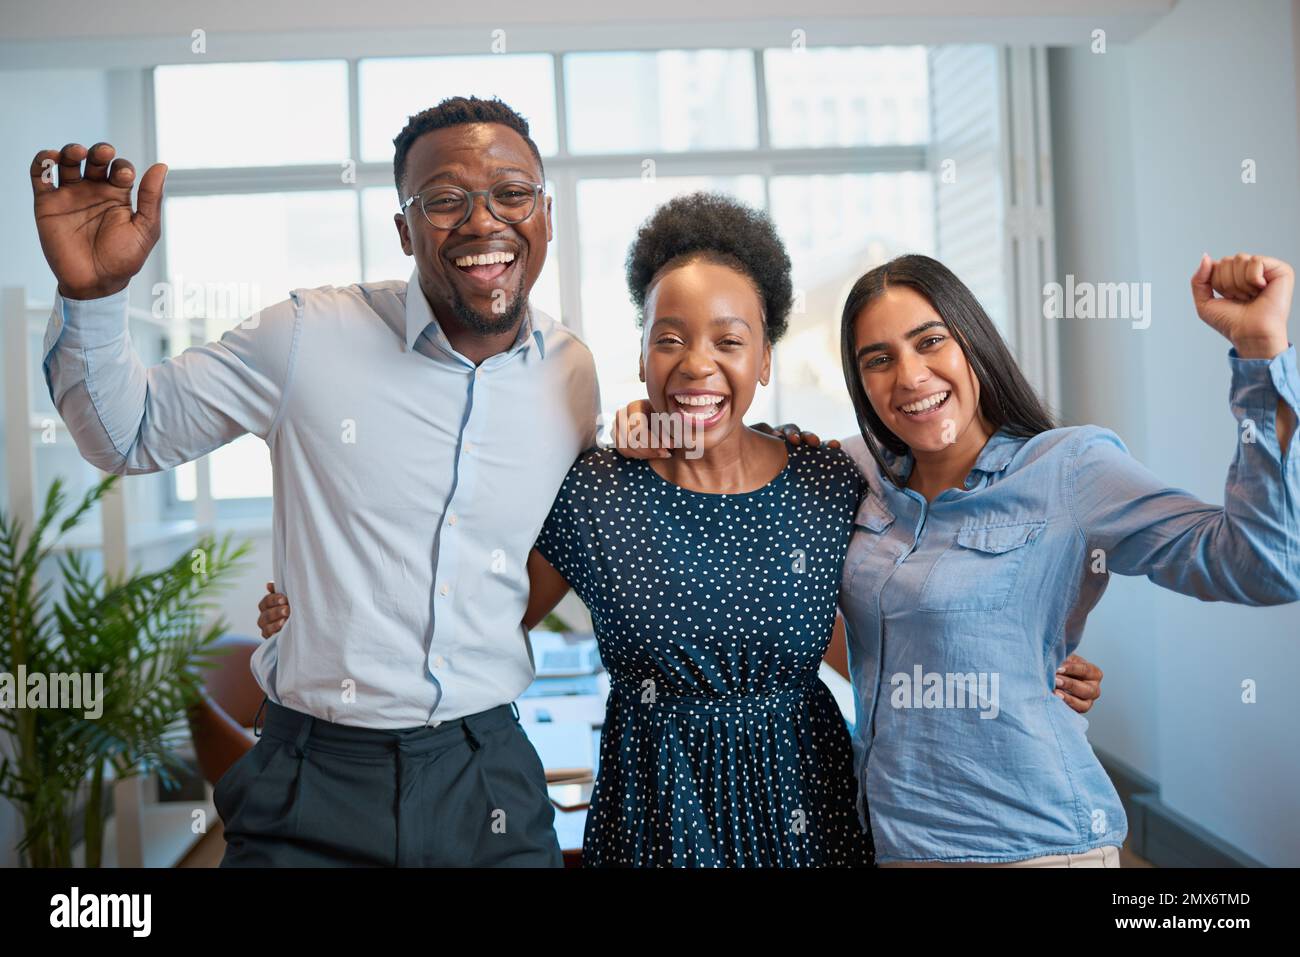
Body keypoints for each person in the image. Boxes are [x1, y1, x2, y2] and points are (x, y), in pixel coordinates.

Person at [259, 192, 1105, 866]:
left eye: (728, 340)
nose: (698, 364)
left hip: (809, 796)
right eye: (671, 338)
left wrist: (1025, 667)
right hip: (656, 808)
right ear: (639, 357)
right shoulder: (592, 490)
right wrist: (326, 614)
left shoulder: (827, 477)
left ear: (765, 358)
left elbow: (887, 621)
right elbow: (472, 611)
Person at [33, 96, 599, 866]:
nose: (482, 220)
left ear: (545, 214)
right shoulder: (305, 337)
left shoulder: (570, 373)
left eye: (511, 193)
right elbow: (127, 434)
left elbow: (554, 543)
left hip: (487, 771)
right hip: (315, 776)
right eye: (444, 200)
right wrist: (94, 301)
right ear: (404, 228)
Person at [835, 252, 1298, 866]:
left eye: (931, 342)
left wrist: (1261, 353)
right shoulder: (849, 474)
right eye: (880, 359)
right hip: (892, 841)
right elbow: (726, 459)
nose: (911, 375)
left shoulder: (1072, 468)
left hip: (1035, 845)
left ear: (973, 343)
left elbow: (1264, 567)